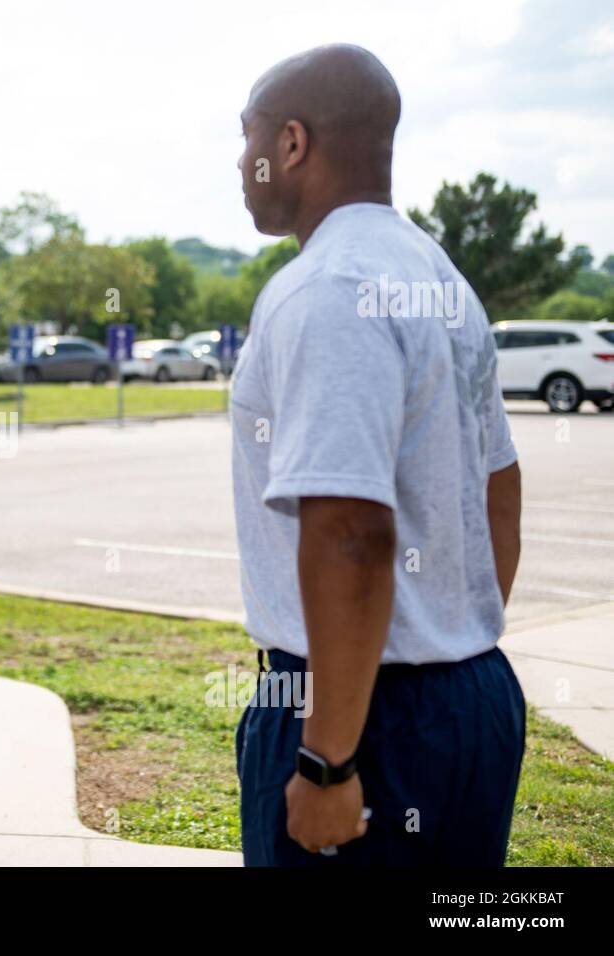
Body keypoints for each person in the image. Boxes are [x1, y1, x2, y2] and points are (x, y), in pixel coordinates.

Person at [230, 45, 525, 865]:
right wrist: (449, 639)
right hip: (467, 694)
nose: (240, 161)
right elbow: (501, 488)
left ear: (290, 143)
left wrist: (329, 759)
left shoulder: (330, 287)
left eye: (245, 136)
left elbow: (351, 530)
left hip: (359, 720)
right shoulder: (437, 278)